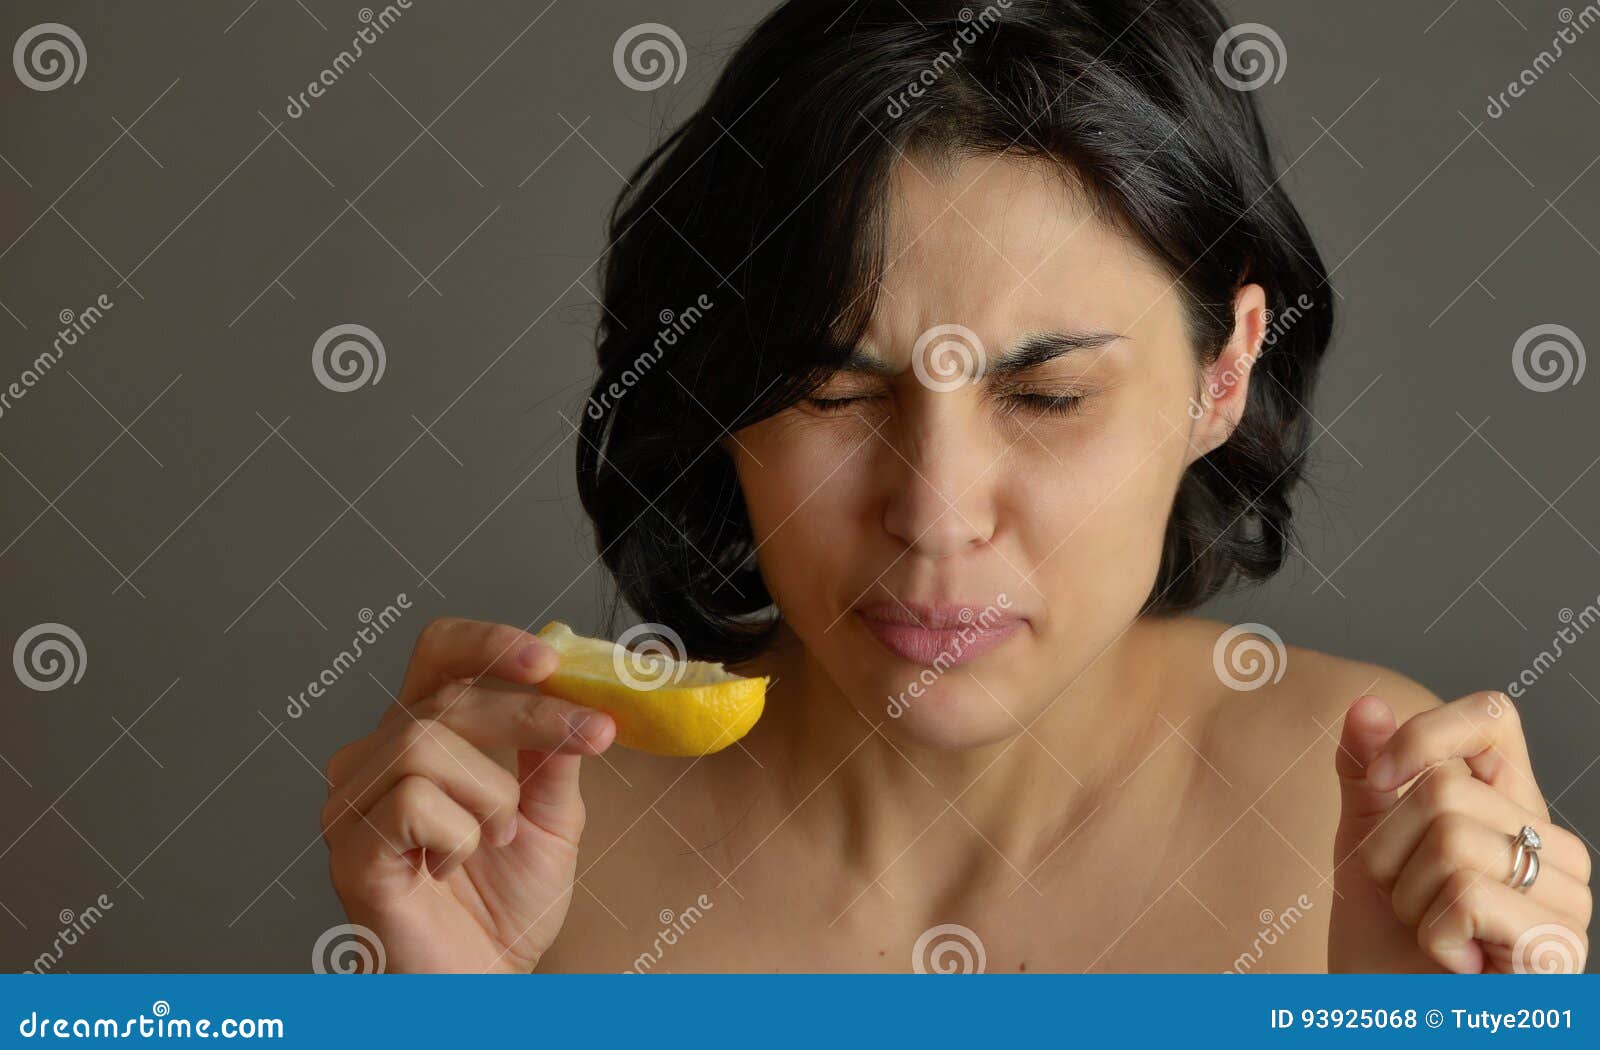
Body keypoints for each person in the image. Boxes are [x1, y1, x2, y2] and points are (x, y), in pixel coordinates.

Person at [320, 0, 1592, 973]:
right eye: (834, 393)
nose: (934, 516)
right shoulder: (532, 845)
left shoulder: (1366, 810)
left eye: (1048, 397)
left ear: (1224, 374)